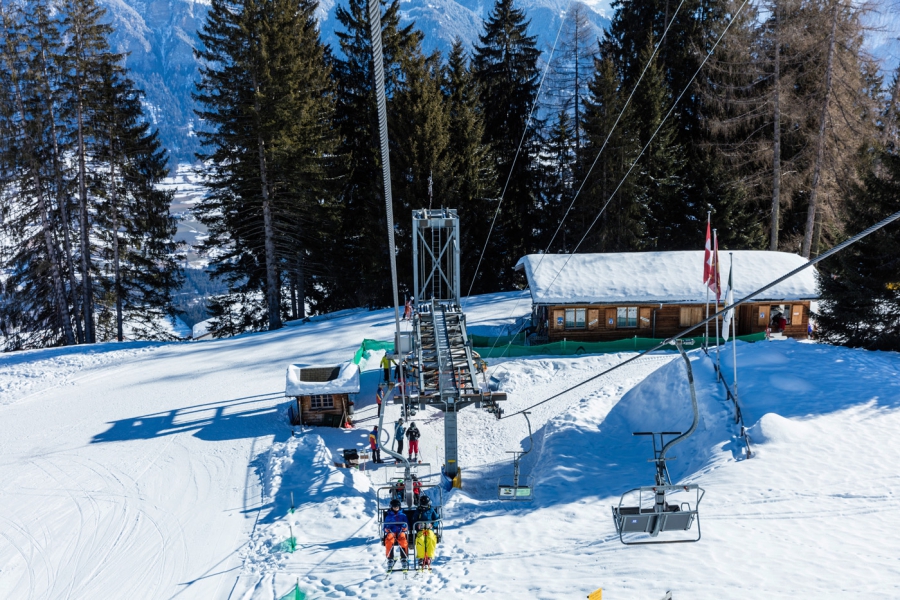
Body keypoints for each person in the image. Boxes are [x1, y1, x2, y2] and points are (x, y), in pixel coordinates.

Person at [412, 495, 439, 570]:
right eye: (423, 505)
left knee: (430, 538)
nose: (425, 506)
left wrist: (432, 525)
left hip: (429, 529)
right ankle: (421, 558)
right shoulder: (418, 511)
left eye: (426, 505)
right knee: (420, 540)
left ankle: (429, 557)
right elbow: (414, 520)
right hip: (421, 530)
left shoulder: (431, 510)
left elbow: (436, 520)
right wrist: (417, 525)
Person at [383, 498, 409, 567]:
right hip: (392, 532)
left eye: (397, 507)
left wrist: (404, 527)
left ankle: (404, 557)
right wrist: (386, 529)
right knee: (389, 540)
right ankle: (390, 558)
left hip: (401, 531)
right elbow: (384, 526)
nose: (396, 508)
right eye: (394, 507)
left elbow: (407, 524)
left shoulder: (403, 515)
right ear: (391, 507)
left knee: (403, 540)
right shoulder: (388, 516)